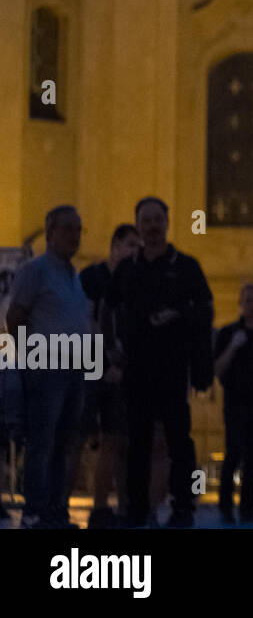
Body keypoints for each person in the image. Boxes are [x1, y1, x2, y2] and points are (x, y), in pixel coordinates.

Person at [109, 196, 214, 528]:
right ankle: (137, 509)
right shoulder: (127, 269)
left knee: (179, 441)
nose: (152, 227)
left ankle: (184, 507)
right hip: (136, 368)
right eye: (146, 221)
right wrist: (110, 348)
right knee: (136, 440)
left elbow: (206, 311)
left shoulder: (187, 267)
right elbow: (107, 307)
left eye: (158, 220)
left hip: (173, 368)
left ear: (167, 224)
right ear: (138, 225)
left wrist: (179, 314)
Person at [7, 206, 91, 528]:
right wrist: (31, 358)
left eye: (79, 230)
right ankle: (35, 511)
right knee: (42, 443)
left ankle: (56, 510)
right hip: (47, 368)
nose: (75, 236)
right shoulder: (35, 270)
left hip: (75, 369)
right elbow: (15, 316)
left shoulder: (73, 275)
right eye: (68, 229)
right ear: (50, 231)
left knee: (63, 444)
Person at [74, 221, 140, 528]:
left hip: (121, 372)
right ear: (115, 247)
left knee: (119, 440)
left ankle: (113, 507)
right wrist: (103, 361)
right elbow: (86, 320)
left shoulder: (136, 282)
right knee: (77, 437)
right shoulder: (91, 277)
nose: (134, 253)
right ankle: (58, 504)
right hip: (90, 368)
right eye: (130, 246)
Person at [213, 282, 253, 524]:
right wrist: (232, 347)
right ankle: (226, 507)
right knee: (233, 453)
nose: (252, 305)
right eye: (248, 300)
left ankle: (247, 508)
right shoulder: (228, 333)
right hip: (235, 402)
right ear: (241, 303)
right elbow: (218, 370)